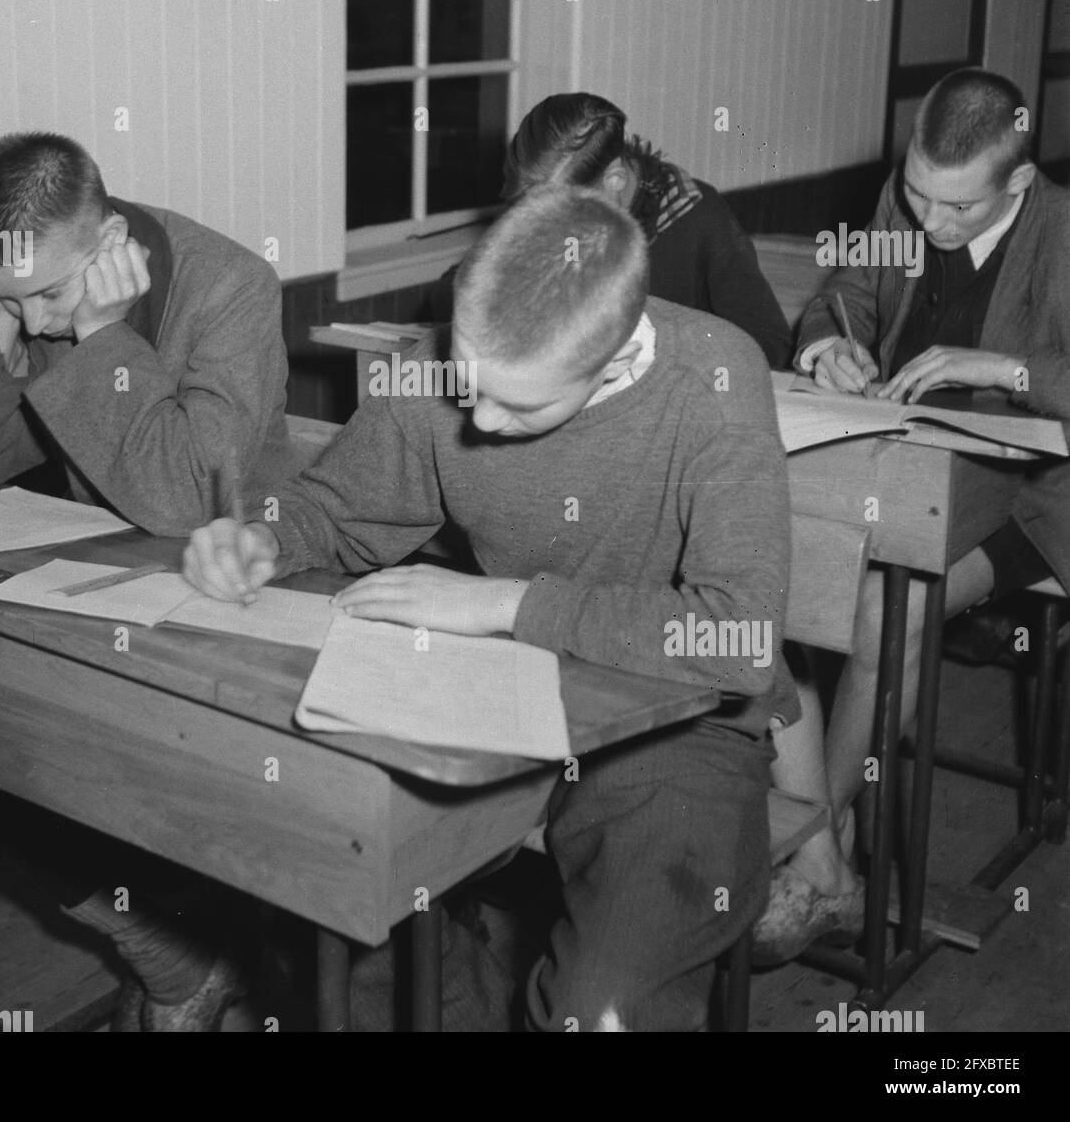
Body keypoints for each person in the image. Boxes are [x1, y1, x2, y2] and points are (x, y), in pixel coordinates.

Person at [184, 185, 797, 1031]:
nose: (475, 418)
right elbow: (336, 507)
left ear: (615, 359)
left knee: (601, 1010)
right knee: (326, 890)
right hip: (494, 693)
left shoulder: (714, 379)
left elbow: (740, 639)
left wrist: (508, 605)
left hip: (678, 722)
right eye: (468, 383)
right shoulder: (443, 365)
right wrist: (264, 536)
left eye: (519, 405)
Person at [756, 68, 1070, 963]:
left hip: (1038, 495)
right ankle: (823, 856)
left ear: (1015, 183)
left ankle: (819, 838)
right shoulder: (907, 209)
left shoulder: (1059, 233)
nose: (928, 224)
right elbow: (844, 295)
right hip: (911, 468)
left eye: (954, 210)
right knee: (781, 577)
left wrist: (999, 368)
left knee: (885, 606)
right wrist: (828, 347)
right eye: (915, 194)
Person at [0, 132, 292, 535]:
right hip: (104, 552)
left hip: (238, 561)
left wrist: (101, 334)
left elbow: (190, 505)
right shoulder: (47, 276)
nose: (34, 324)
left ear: (110, 239)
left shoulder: (232, 285)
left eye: (51, 293)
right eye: (11, 299)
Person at [427, 92, 793, 369]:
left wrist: (648, 341)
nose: (548, 227)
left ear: (615, 179)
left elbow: (769, 346)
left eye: (565, 213)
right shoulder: (544, 207)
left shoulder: (699, 217)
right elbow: (445, 294)